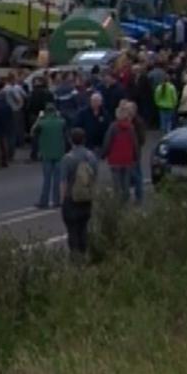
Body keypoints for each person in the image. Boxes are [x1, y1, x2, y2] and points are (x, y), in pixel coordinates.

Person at [59, 128, 98, 260]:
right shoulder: (91, 156)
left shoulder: (67, 158)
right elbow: (95, 177)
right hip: (86, 198)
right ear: (84, 140)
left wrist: (62, 199)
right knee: (83, 227)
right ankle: (84, 253)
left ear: (71, 140)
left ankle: (75, 256)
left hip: (72, 198)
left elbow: (63, 181)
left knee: (72, 229)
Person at [102, 101, 141, 205]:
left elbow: (108, 142)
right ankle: (125, 198)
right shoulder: (131, 128)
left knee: (117, 183)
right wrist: (136, 157)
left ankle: (118, 203)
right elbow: (135, 144)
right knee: (126, 181)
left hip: (115, 159)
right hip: (127, 159)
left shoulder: (113, 127)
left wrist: (104, 154)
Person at [31, 103, 66, 209]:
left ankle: (44, 201)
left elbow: (32, 132)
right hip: (59, 153)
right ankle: (57, 201)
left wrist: (39, 118)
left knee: (47, 179)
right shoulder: (61, 122)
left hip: (46, 153)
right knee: (57, 179)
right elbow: (65, 133)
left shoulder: (41, 123)